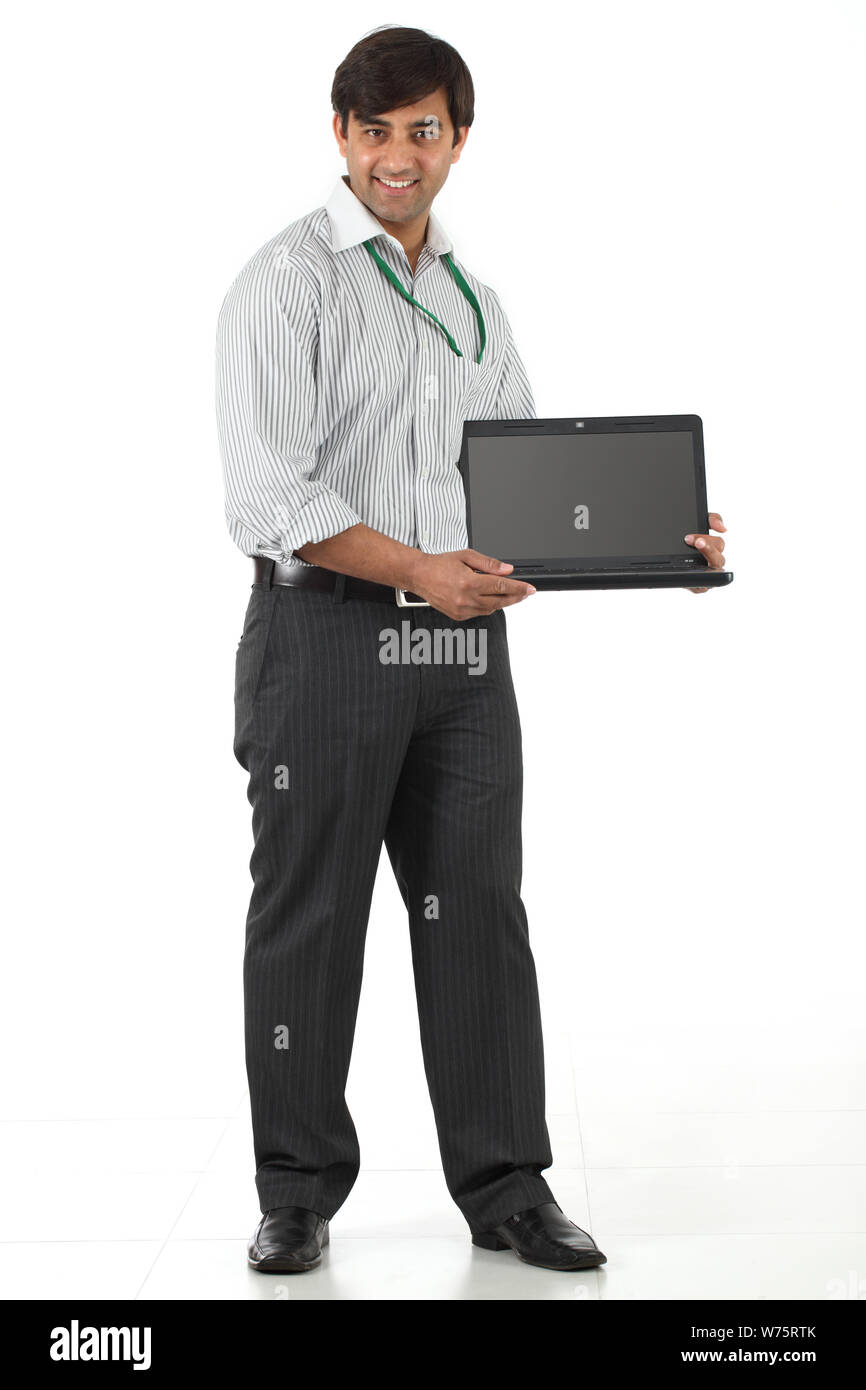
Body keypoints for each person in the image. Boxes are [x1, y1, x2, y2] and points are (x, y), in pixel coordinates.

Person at [214, 24, 727, 1277]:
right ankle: (297, 1192)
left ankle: (505, 1185)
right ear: (339, 134)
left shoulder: (469, 302)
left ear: (458, 138)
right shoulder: (284, 283)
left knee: (475, 918)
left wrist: (668, 550)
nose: (400, 156)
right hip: (321, 644)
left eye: (424, 129)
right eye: (377, 130)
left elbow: (520, 496)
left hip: (458, 661)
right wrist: (417, 571)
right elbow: (267, 496)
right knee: (309, 919)